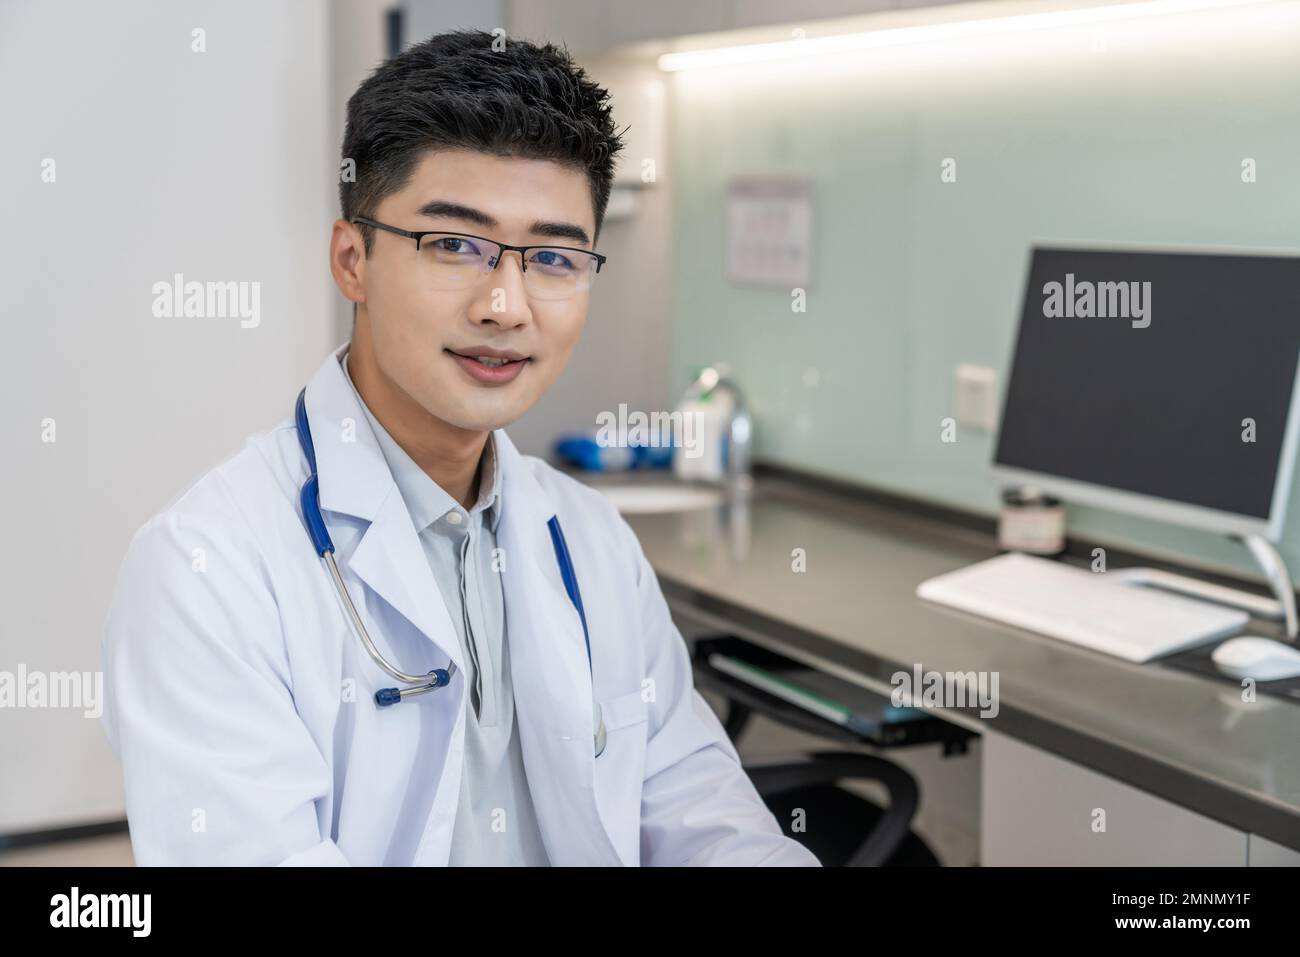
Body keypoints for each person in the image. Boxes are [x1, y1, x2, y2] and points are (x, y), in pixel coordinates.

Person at [101, 29, 819, 867]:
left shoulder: (591, 540)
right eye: (454, 245)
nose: (505, 304)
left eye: (553, 257)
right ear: (351, 259)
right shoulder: (207, 568)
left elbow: (702, 811)